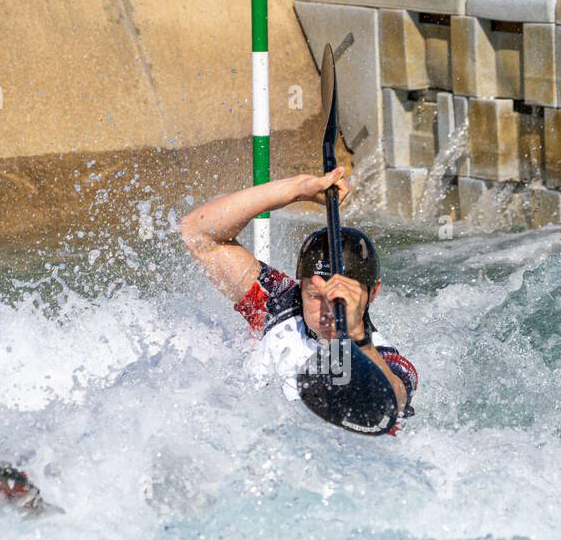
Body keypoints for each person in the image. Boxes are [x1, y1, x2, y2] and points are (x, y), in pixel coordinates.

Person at [179, 168, 418, 423]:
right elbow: (198, 234)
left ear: (373, 293)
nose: (328, 311)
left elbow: (394, 400)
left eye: (342, 298)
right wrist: (295, 190)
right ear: (299, 287)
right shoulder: (279, 306)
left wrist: (358, 338)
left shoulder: (383, 355)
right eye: (315, 296)